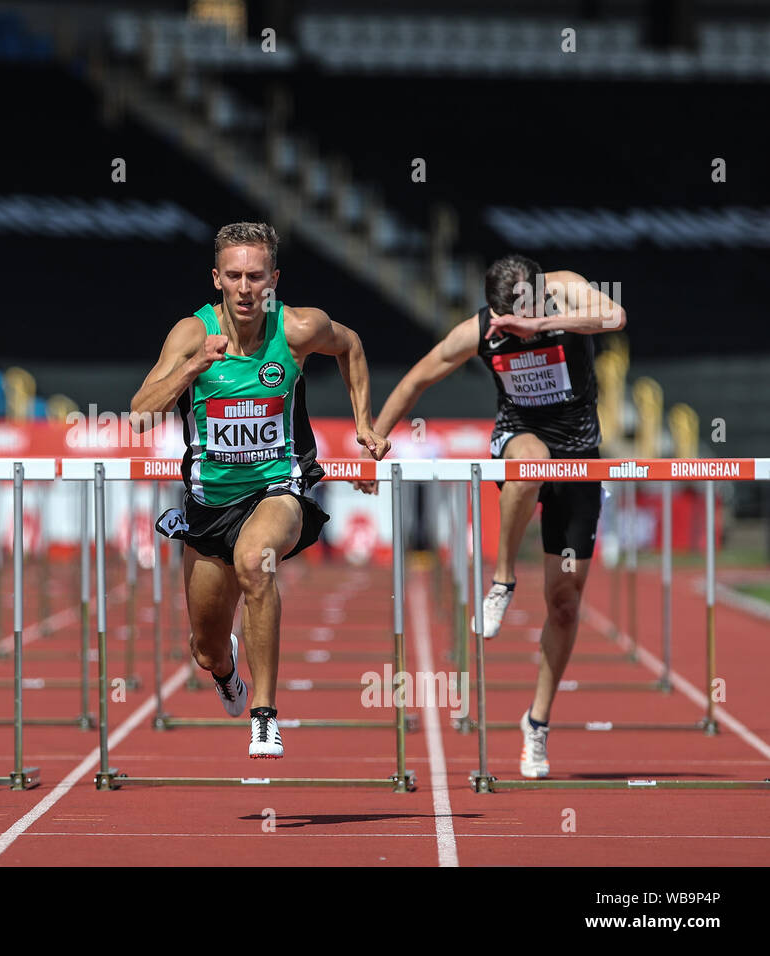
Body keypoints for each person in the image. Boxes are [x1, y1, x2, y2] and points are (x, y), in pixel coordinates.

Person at [357, 254, 625, 777]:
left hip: (581, 457)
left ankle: (537, 722)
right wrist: (374, 443)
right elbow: (418, 378)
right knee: (529, 465)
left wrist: (543, 323)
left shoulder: (565, 290)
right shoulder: (483, 329)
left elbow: (614, 317)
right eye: (507, 323)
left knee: (566, 603)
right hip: (519, 435)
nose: (517, 334)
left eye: (521, 319)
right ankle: (502, 580)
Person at [130, 222, 389, 758]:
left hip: (279, 488)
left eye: (255, 276)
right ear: (216, 279)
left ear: (274, 277)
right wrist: (194, 367)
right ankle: (227, 673)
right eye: (234, 276)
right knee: (204, 648)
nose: (246, 288)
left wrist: (364, 422)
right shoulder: (190, 334)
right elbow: (138, 416)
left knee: (256, 561)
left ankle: (265, 714)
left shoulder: (297, 328)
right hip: (208, 505)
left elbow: (354, 345)